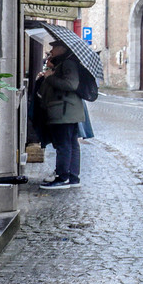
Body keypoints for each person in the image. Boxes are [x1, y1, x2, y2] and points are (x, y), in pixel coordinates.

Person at [37, 42, 84, 189]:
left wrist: (50, 77)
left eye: (54, 47)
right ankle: (73, 178)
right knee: (71, 144)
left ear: (62, 49)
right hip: (67, 110)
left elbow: (71, 85)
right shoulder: (63, 63)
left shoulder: (68, 63)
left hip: (64, 111)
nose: (51, 50)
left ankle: (62, 178)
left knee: (64, 145)